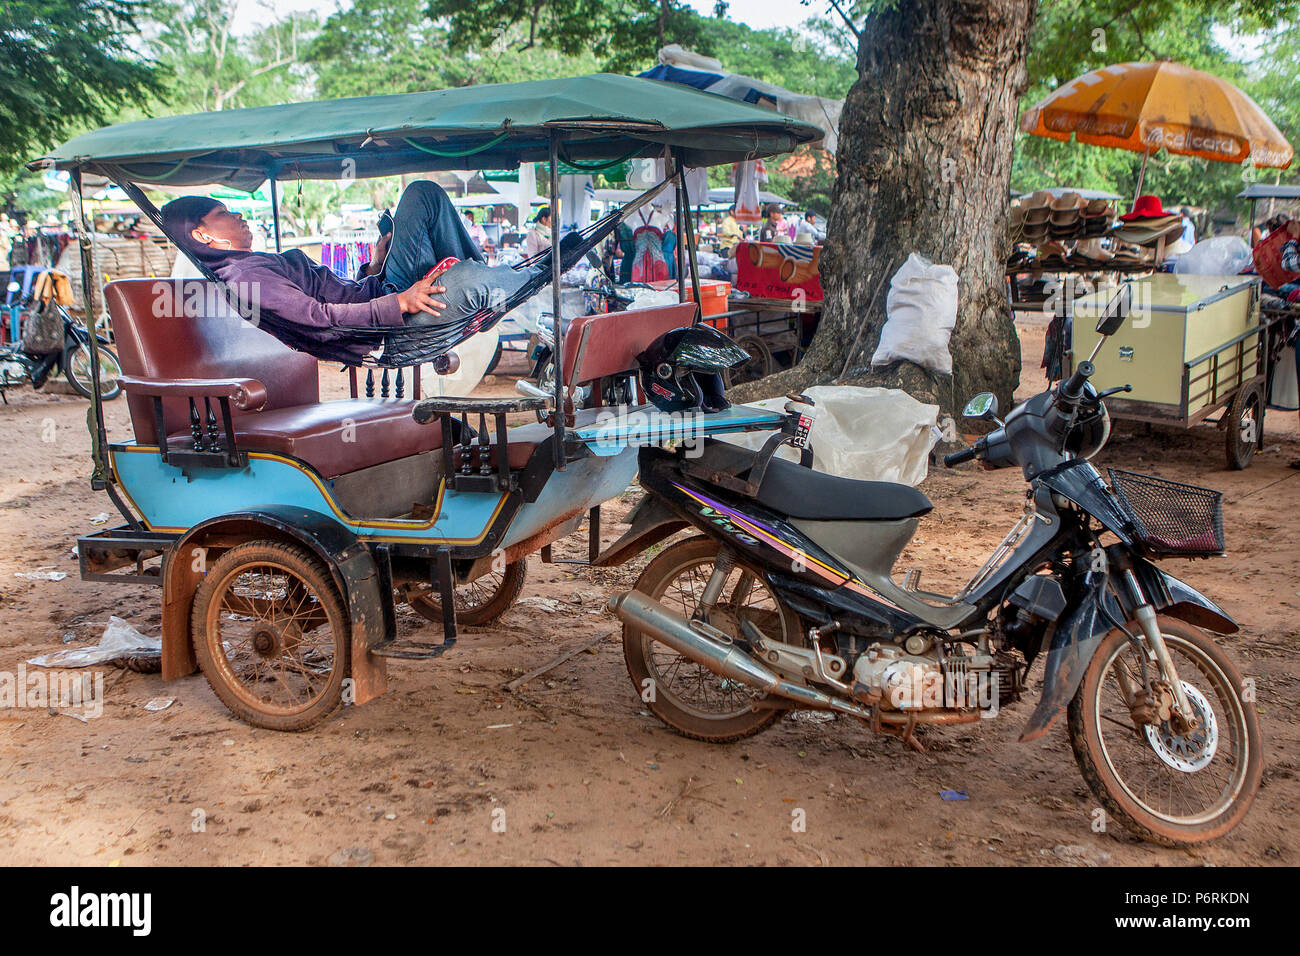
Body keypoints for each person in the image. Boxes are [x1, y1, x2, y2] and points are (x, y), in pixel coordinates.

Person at [160, 181, 553, 339]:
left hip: (378, 288)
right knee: (421, 194)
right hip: (385, 312)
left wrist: (374, 267)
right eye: (226, 213)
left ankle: (499, 283)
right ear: (201, 234)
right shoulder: (244, 275)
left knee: (423, 199)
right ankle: (507, 280)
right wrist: (396, 302)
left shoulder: (252, 265)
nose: (240, 216)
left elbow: (334, 292)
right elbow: (317, 317)